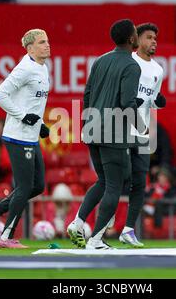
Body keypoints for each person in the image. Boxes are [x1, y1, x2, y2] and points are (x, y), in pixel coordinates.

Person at [67, 19, 142, 250]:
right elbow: (127, 102)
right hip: (113, 132)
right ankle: (96, 239)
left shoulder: (100, 61)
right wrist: (141, 126)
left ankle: (78, 222)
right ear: (131, 39)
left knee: (104, 181)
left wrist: (85, 125)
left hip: (92, 128)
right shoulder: (132, 66)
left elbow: (87, 95)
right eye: (136, 33)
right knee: (113, 186)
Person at [0, 29, 51, 249]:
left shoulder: (43, 67)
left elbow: (33, 102)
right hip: (18, 136)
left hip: (30, 136)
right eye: (42, 42)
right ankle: (6, 237)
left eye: (47, 41)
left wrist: (40, 124)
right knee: (25, 185)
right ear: (29, 48)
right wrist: (21, 116)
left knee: (37, 186)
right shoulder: (24, 68)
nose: (47, 45)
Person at [115, 22, 166, 248]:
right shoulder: (129, 62)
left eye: (155, 38)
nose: (153, 41)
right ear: (138, 39)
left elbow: (151, 100)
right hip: (122, 128)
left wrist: (158, 102)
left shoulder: (158, 70)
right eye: (149, 37)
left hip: (143, 132)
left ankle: (128, 229)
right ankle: (98, 229)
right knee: (115, 180)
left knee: (139, 183)